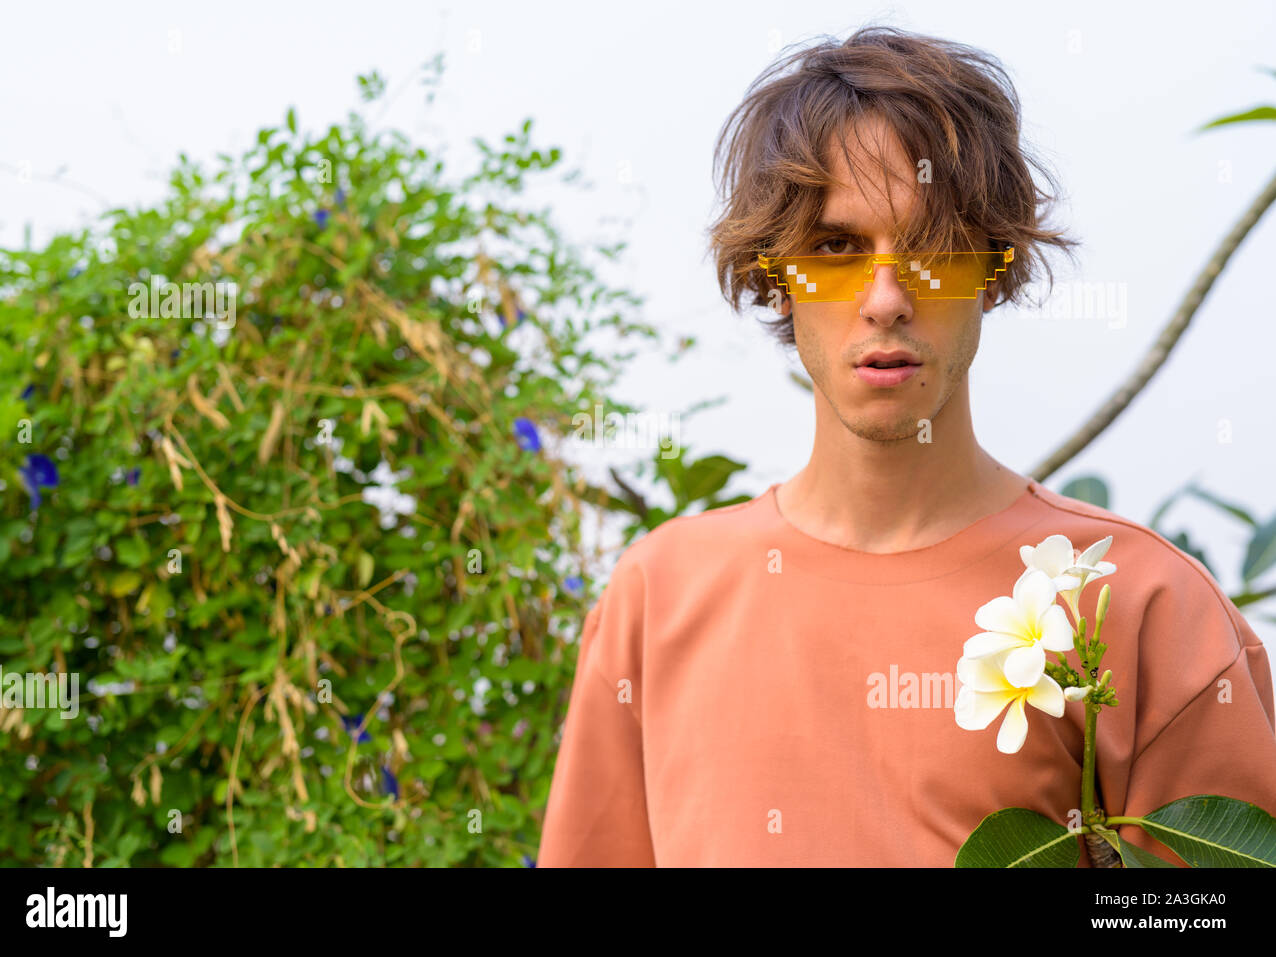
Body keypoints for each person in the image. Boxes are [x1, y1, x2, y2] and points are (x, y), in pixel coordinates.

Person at [536, 25, 1276, 866]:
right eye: (835, 248)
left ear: (994, 270)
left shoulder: (1139, 605)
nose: (885, 297)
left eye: (932, 247)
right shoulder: (656, 599)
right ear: (773, 271)